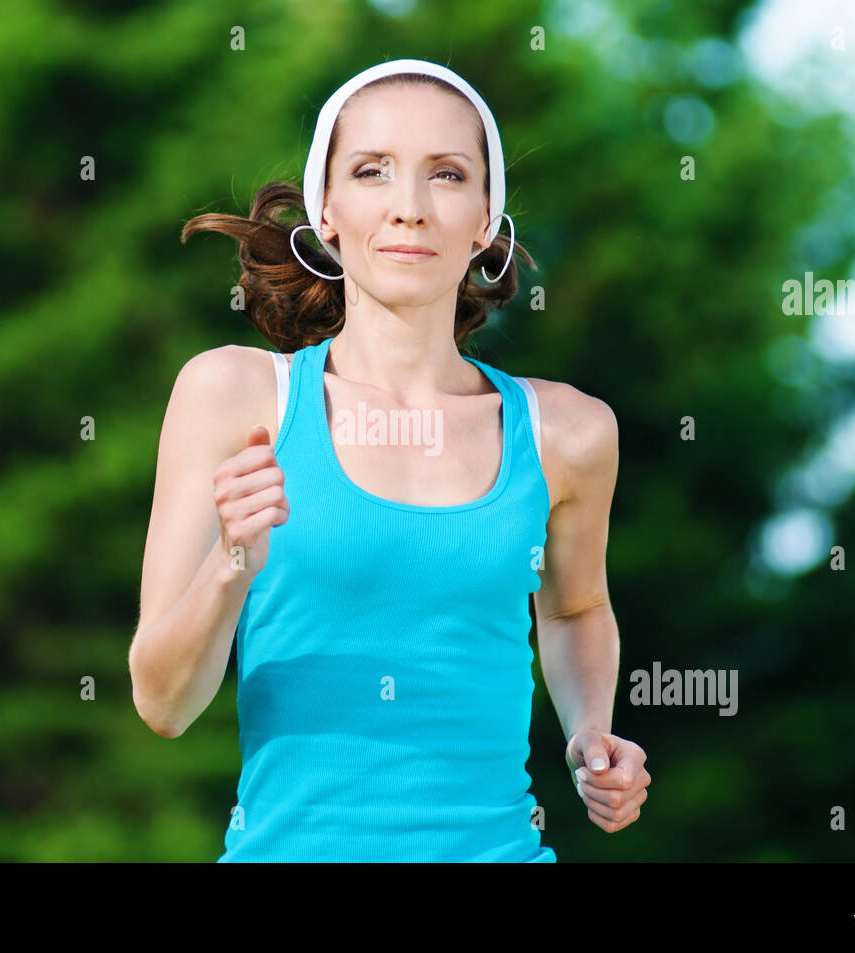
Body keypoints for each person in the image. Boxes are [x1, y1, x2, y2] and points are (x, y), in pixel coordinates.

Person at [128, 58, 649, 862]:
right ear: (328, 210)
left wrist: (589, 734)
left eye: (446, 174)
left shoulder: (568, 432)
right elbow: (161, 702)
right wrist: (231, 562)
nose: (408, 209)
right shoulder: (234, 397)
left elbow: (576, 607)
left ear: (486, 219)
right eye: (373, 171)